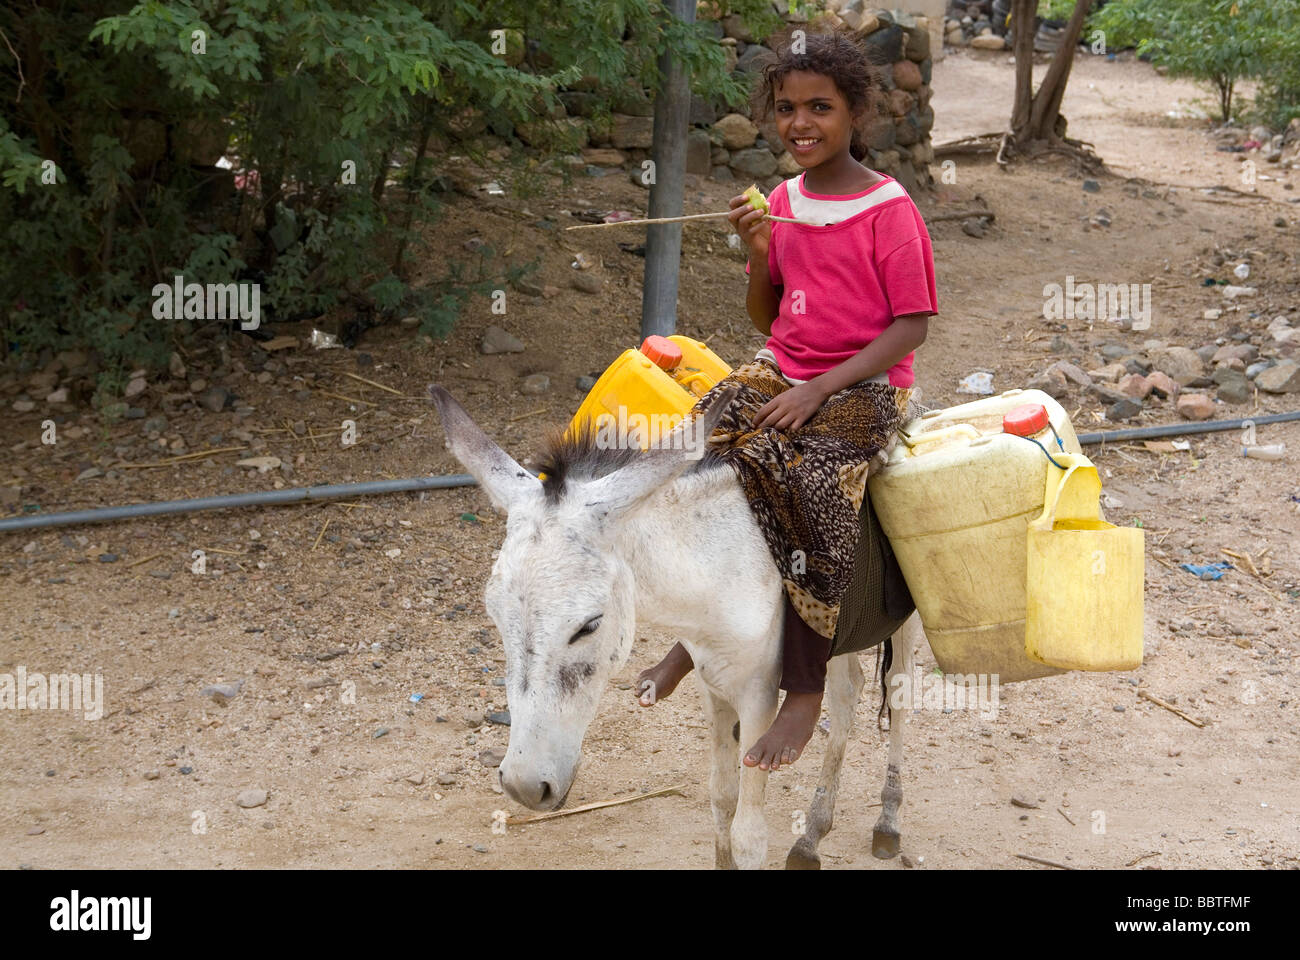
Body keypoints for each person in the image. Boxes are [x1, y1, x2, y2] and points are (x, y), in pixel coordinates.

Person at [635, 28, 937, 772]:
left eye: (820, 108)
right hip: (785, 366)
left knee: (806, 476)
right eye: (786, 108)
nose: (800, 123)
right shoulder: (781, 201)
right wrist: (758, 255)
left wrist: (819, 390)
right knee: (698, 450)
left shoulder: (888, 210)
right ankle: (699, 632)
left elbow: (912, 327)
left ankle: (803, 683)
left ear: (856, 115)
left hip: (864, 387)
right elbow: (771, 321)